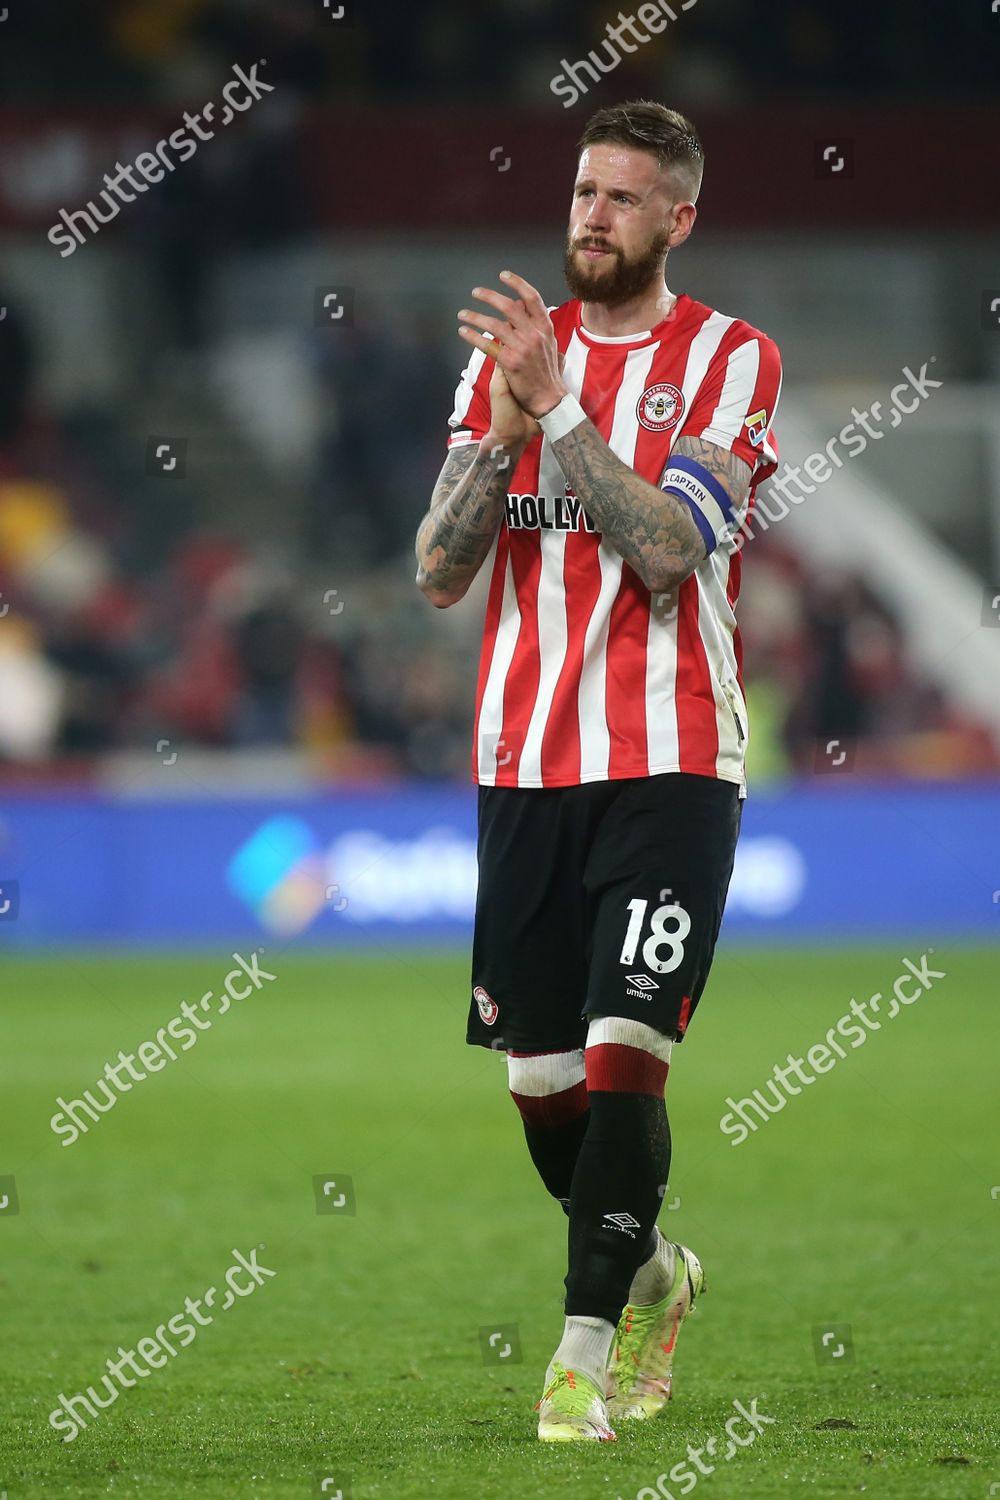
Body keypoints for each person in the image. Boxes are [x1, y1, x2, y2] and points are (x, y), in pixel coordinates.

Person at [414, 99, 782, 1442]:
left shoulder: (731, 359)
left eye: (624, 199)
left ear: (679, 217)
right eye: (582, 192)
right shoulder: (509, 368)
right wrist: (507, 428)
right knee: (543, 1083)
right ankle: (650, 1268)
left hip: (674, 755)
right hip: (524, 763)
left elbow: (670, 551)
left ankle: (580, 1364)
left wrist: (560, 405)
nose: (591, 217)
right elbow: (439, 572)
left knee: (630, 1050)